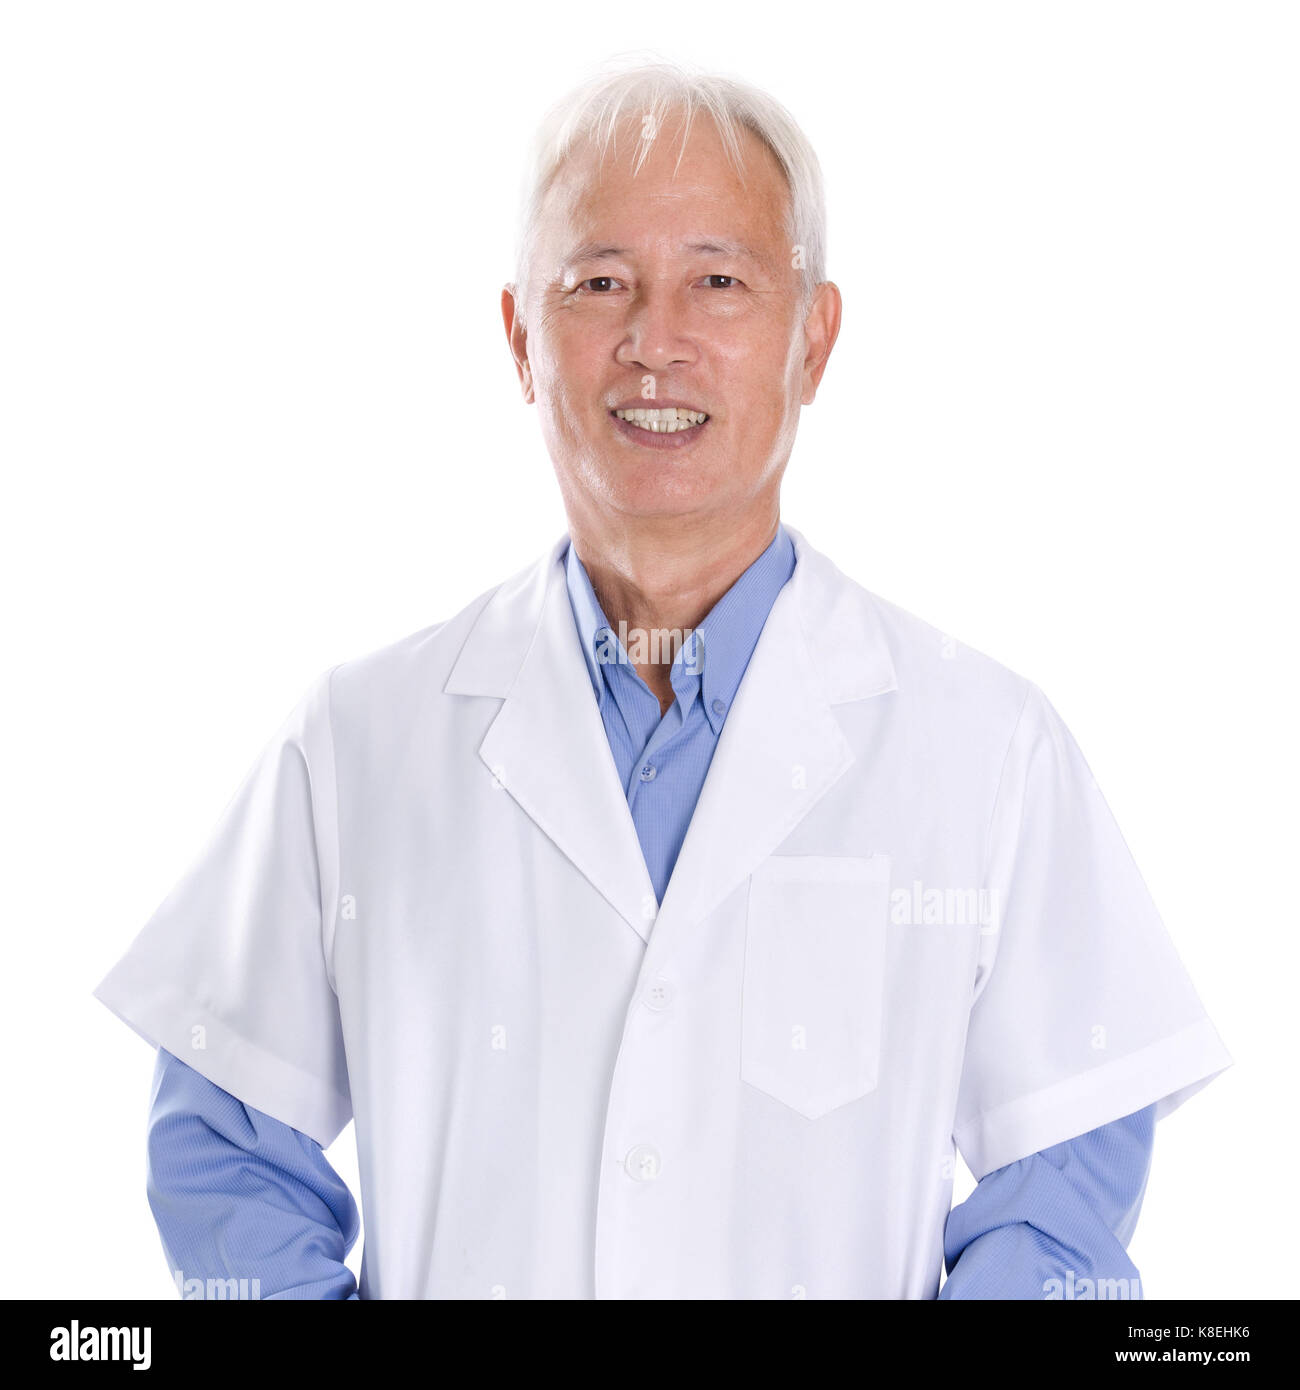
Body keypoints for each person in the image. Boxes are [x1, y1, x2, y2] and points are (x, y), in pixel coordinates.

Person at [95, 61, 1230, 1300]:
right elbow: (224, 1148)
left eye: (718, 281)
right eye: (598, 284)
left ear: (814, 337)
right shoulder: (359, 740)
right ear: (523, 338)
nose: (655, 342)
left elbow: (1061, 1184)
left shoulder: (983, 745)